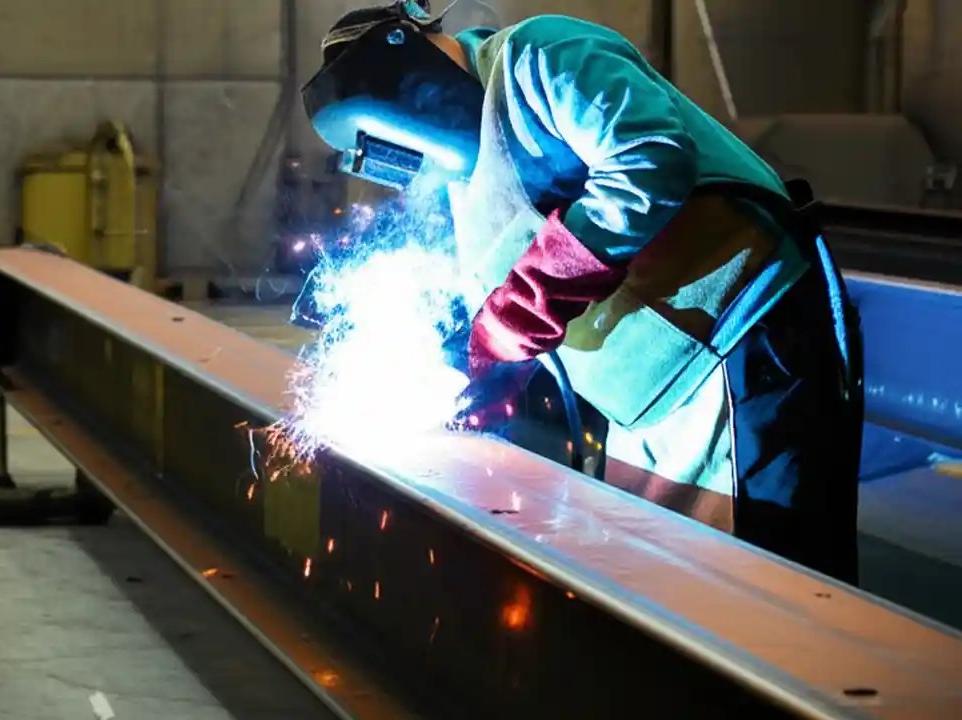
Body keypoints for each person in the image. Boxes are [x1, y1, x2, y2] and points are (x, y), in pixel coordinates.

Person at [301, 1, 863, 583]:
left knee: (763, 583)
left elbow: (649, 161)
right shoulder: (462, 175)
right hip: (645, 399)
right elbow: (503, 296)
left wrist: (523, 307)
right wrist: (483, 372)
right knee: (662, 581)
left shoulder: (537, 56)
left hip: (743, 346)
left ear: (411, 51)